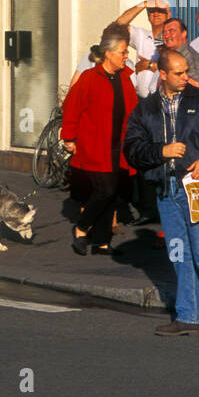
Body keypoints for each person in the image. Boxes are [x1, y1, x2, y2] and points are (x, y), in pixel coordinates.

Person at [124, 48, 199, 340]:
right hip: (167, 189)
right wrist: (159, 151)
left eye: (187, 71)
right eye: (179, 73)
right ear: (162, 74)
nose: (186, 77)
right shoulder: (145, 109)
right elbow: (131, 150)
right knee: (178, 253)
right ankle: (188, 315)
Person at [61, 27, 138, 254]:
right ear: (109, 54)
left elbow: (133, 111)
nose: (127, 56)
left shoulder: (124, 78)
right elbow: (72, 107)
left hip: (119, 145)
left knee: (112, 192)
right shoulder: (89, 78)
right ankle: (83, 227)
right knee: (104, 190)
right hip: (95, 145)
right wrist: (68, 137)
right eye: (123, 52)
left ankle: (102, 242)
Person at [111, 0, 170, 98]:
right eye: (151, 10)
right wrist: (144, 4)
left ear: (168, 15)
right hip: (142, 103)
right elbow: (118, 25)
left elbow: (174, 68)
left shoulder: (173, 38)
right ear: (148, 16)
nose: (156, 14)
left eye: (160, 10)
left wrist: (150, 65)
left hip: (163, 101)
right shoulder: (141, 35)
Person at [160, 16, 199, 87]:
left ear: (184, 33)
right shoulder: (173, 54)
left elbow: (197, 83)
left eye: (171, 31)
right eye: (164, 32)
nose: (166, 35)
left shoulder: (186, 56)